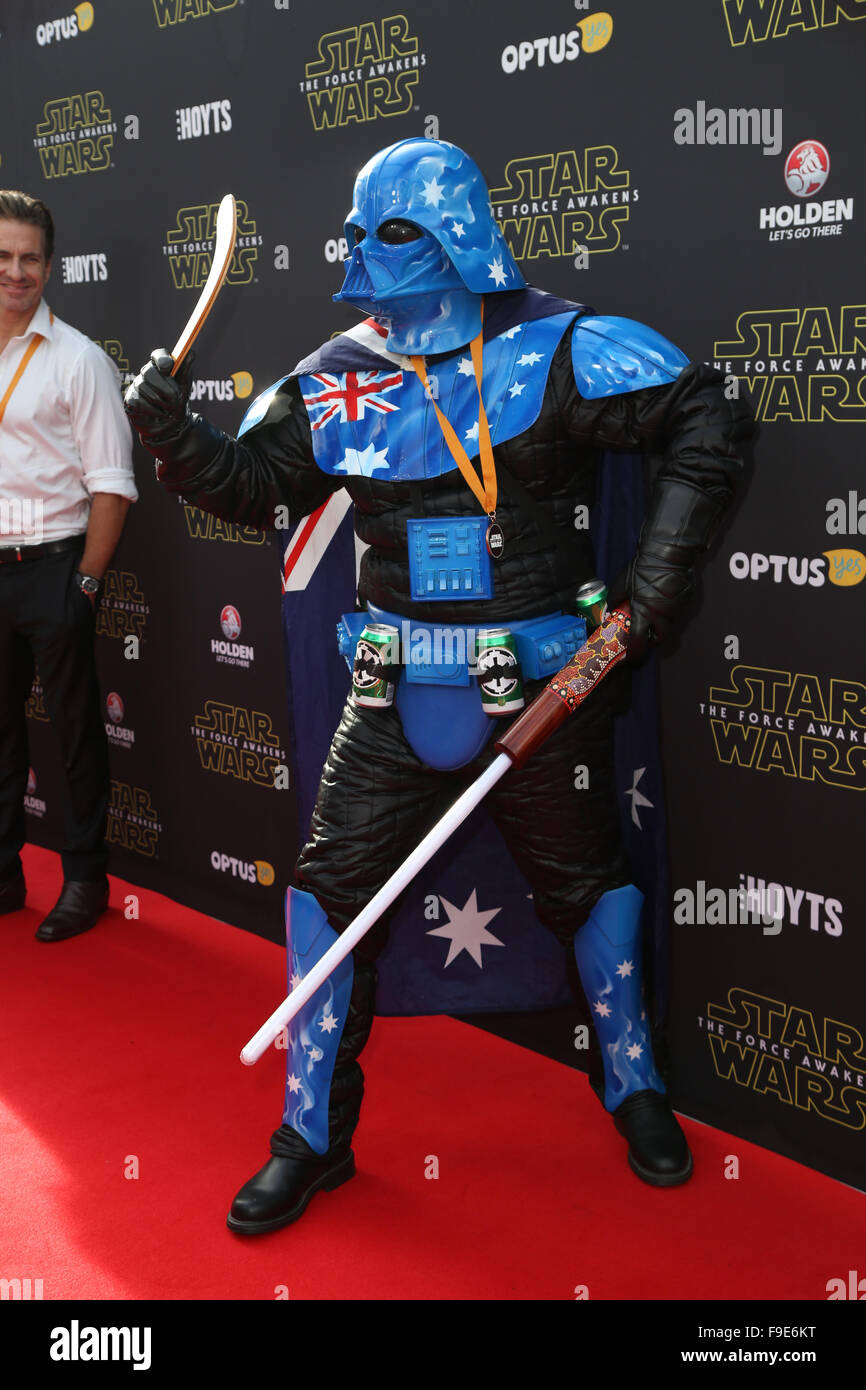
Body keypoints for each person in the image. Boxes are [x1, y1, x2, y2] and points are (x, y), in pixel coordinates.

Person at [125, 138, 755, 1234]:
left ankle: (632, 1083)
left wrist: (647, 597)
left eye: (398, 230)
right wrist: (173, 438)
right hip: (386, 694)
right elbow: (253, 484)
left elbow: (705, 416)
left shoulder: (556, 346)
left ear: (461, 232)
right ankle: (307, 1140)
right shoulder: (337, 373)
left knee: (588, 889)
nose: (371, 253)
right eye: (361, 231)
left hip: (542, 690)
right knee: (325, 902)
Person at [0, 190, 137, 940]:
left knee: (77, 733)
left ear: (50, 267)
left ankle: (85, 879)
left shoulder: (78, 360)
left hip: (55, 569)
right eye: (3, 258)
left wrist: (84, 584)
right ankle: (3, 874)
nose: (15, 273)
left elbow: (113, 485)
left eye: (29, 258)